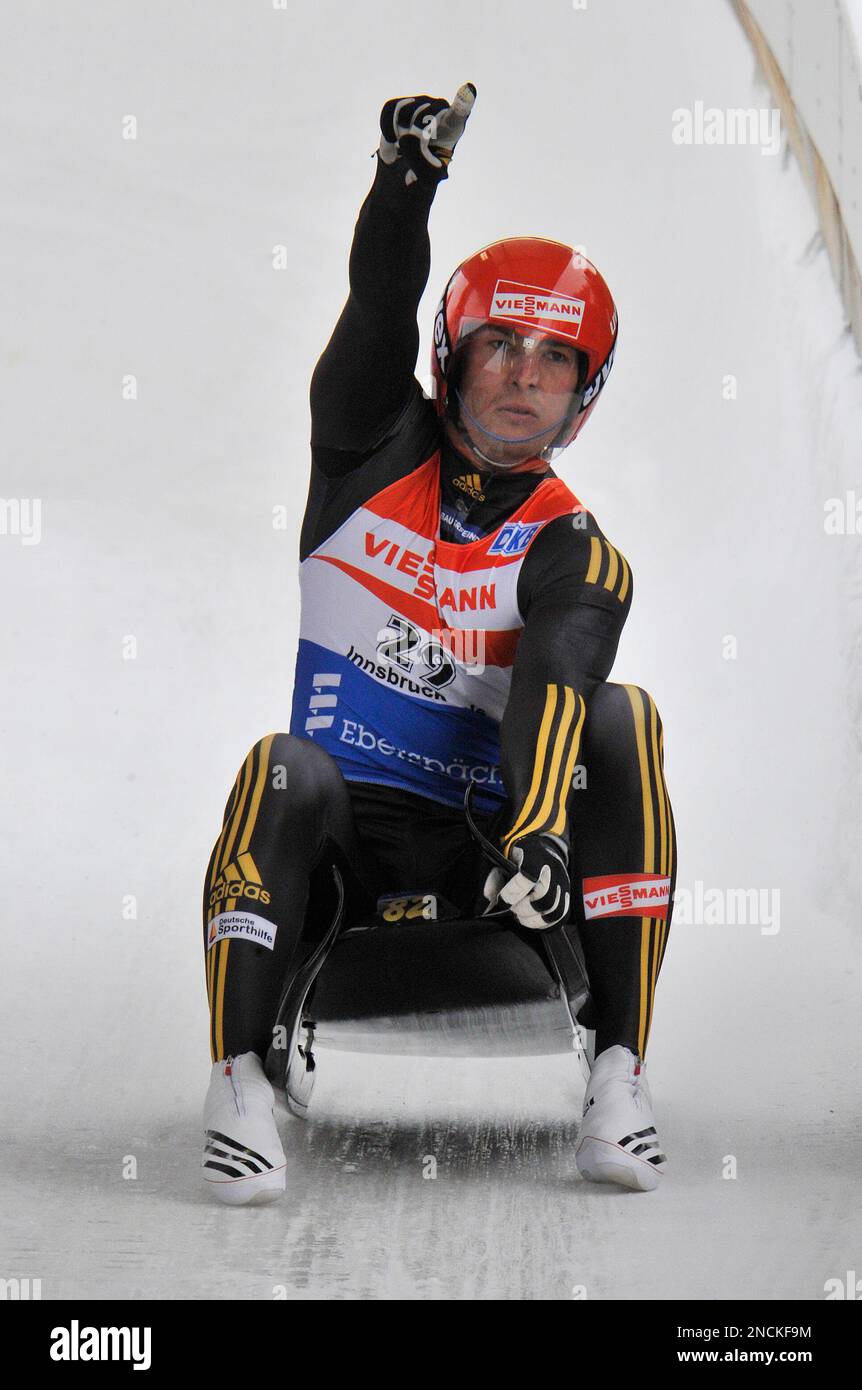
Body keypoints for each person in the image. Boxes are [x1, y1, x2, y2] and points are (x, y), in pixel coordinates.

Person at [200, 85, 677, 1205]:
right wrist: (404, 181)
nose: (521, 376)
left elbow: (562, 668)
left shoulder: (575, 547)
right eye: (499, 345)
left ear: (582, 395)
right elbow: (378, 295)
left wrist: (540, 837)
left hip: (499, 864)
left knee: (624, 716)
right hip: (341, 858)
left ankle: (620, 1070)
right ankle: (234, 1080)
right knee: (280, 764)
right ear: (449, 358)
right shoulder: (367, 441)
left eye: (553, 359)